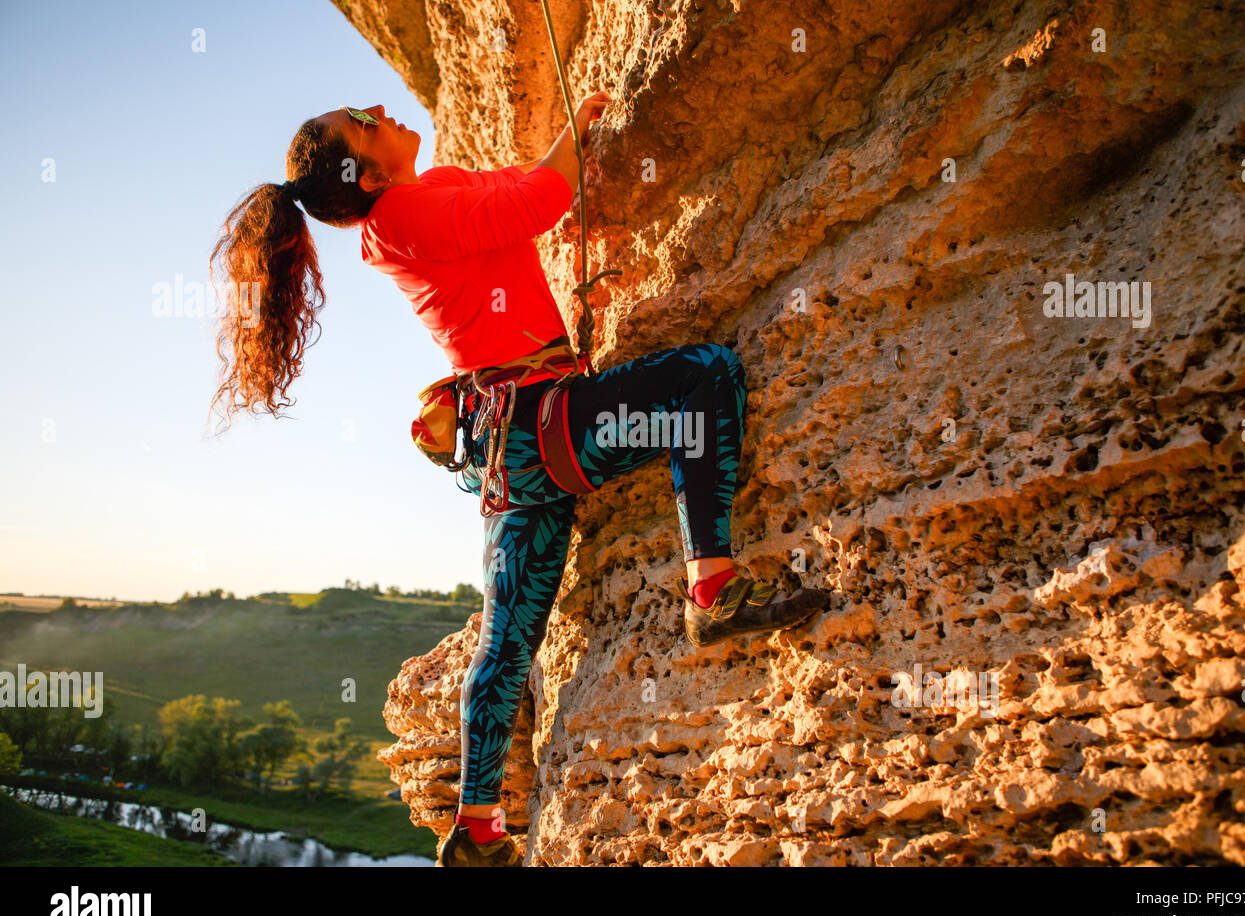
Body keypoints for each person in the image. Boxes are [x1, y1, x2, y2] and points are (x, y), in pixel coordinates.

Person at [208, 94, 830, 867]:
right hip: (550, 423)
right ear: (364, 172)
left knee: (506, 643)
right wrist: (574, 139)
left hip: (521, 443)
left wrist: (575, 130)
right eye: (362, 121)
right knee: (707, 379)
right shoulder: (398, 222)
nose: (377, 106)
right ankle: (710, 586)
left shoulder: (424, 194)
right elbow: (539, 201)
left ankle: (476, 829)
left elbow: (516, 186)